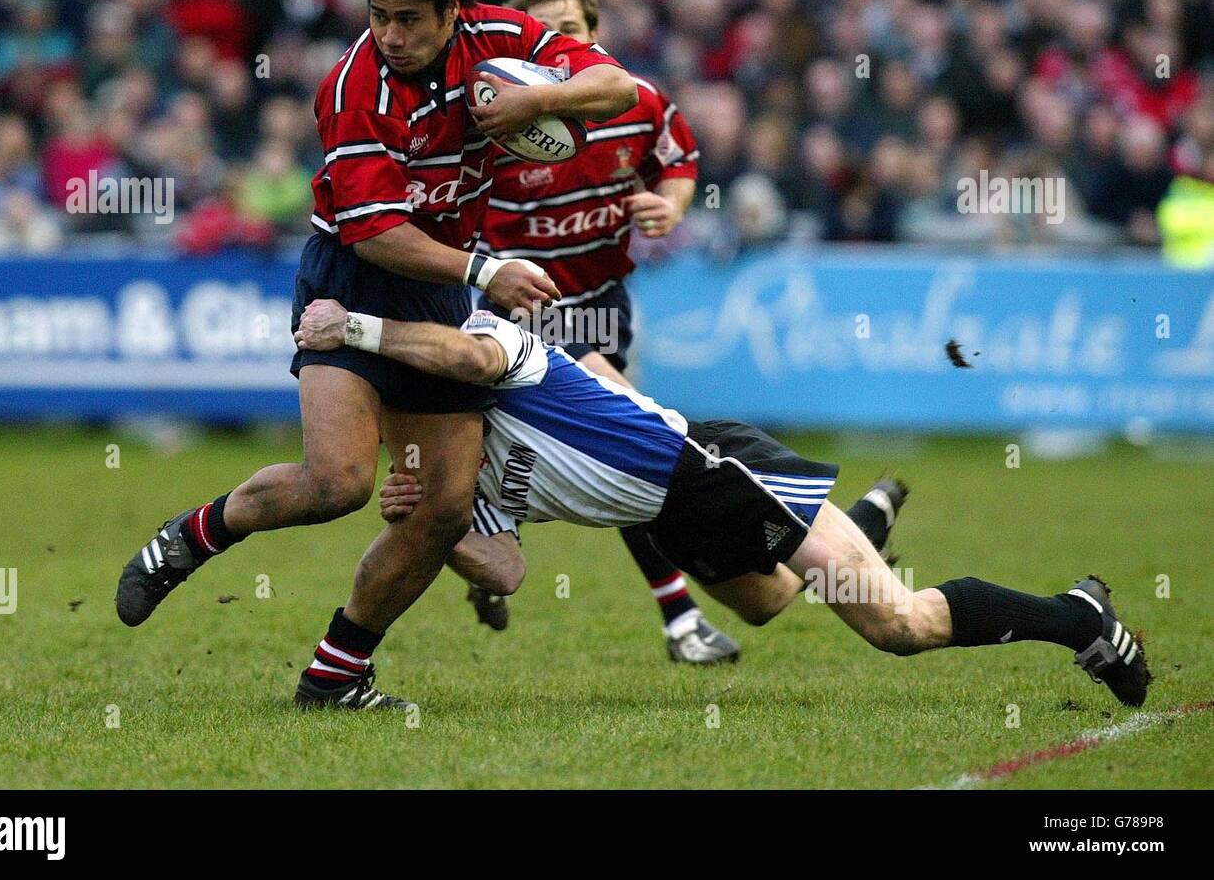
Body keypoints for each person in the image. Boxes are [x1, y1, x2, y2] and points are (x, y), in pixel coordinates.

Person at [115, 0, 638, 712]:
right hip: (352, 281)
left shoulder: (501, 37)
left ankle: (335, 675)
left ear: (454, 11)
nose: (389, 34)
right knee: (340, 483)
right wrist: (487, 268)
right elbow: (378, 233)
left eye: (408, 18)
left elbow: (621, 89)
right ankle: (196, 533)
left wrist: (536, 98)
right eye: (377, 15)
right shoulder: (354, 87)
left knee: (442, 510)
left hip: (438, 292)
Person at [289, 300, 1151, 711]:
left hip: (710, 471)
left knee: (895, 624)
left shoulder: (493, 344)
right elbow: (506, 567)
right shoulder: (448, 470)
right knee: (772, 600)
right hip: (671, 515)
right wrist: (418, 525)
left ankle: (1078, 618)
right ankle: (862, 523)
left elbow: (473, 360)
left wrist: (355, 329)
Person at [475, 0, 736, 664]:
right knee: (631, 442)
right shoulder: (494, 119)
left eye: (572, 33)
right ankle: (681, 620)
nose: (560, 49)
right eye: (545, 37)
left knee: (610, 451)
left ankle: (486, 530)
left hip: (602, 304)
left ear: (594, 37)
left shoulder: (638, 101)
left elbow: (677, 160)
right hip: (517, 310)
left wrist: (669, 205)